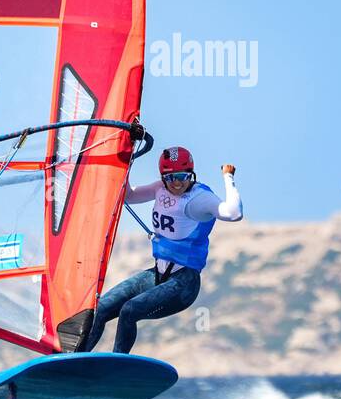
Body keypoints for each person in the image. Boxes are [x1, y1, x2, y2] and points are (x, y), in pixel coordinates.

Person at [80, 146, 243, 354]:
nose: (176, 182)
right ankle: (76, 362)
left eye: (183, 177)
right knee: (101, 307)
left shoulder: (199, 197)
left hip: (184, 283)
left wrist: (228, 177)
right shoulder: (160, 188)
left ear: (191, 174)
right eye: (170, 177)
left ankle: (117, 367)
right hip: (157, 274)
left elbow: (234, 213)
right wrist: (126, 158)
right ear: (163, 176)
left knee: (129, 311)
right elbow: (128, 196)